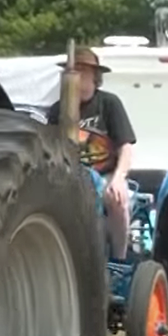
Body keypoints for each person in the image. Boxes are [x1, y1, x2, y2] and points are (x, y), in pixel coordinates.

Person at [46, 46, 137, 261]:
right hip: (68, 174)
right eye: (73, 71)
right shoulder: (57, 110)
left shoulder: (109, 104)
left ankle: (119, 257)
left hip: (104, 174)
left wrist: (119, 178)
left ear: (94, 76)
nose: (76, 76)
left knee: (115, 199)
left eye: (82, 71)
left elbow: (126, 146)